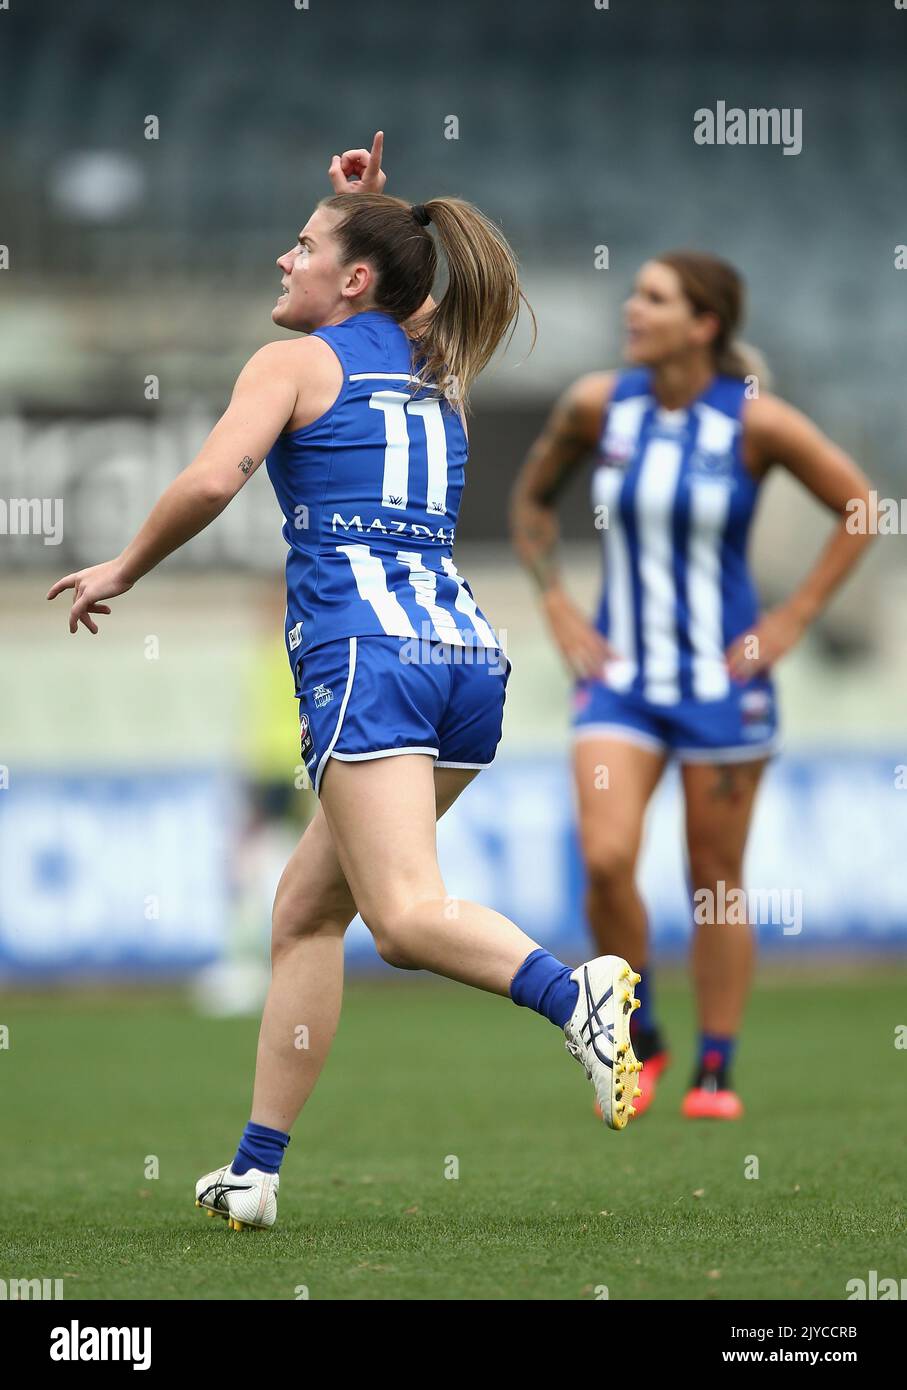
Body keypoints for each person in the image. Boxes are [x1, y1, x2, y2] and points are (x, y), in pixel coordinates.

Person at [48, 135, 643, 1232]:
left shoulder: (290, 366)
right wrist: (363, 208)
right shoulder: (435, 362)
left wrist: (125, 565)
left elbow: (212, 479)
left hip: (368, 657)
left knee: (404, 921)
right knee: (305, 911)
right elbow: (414, 288)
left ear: (356, 279)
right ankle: (255, 1170)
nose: (285, 258)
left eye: (305, 245)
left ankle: (577, 995)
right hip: (465, 661)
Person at [510, 250, 873, 1119]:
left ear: (703, 325)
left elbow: (860, 507)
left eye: (654, 298)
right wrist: (555, 601)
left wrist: (793, 618)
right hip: (620, 680)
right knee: (604, 859)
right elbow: (530, 502)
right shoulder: (597, 405)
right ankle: (640, 1036)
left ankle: (715, 1067)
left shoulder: (754, 422)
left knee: (713, 878)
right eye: (634, 294)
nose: (631, 309)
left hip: (721, 685)